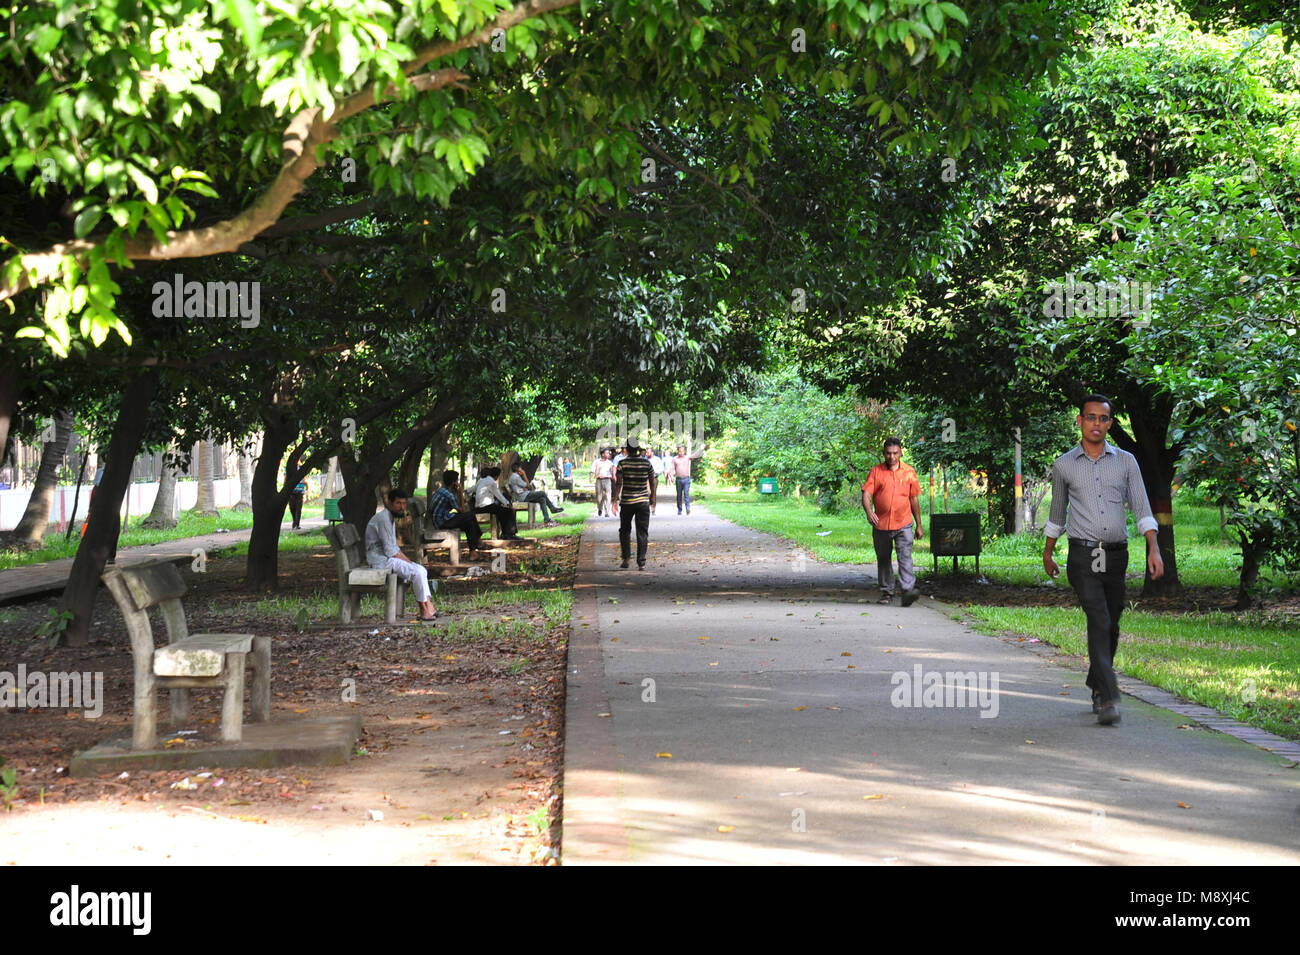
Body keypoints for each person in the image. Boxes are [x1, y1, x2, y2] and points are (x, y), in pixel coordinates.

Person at [1043, 394, 1163, 726]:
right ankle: (1109, 696)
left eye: (1103, 418)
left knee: (1112, 623)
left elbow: (1142, 508)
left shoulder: (1126, 462)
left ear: (1110, 423)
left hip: (1115, 555)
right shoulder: (1064, 464)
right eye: (1090, 417)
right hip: (1083, 555)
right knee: (1098, 618)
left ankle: (1096, 683)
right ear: (1079, 421)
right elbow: (1057, 513)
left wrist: (1153, 548)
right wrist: (1049, 551)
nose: (1096, 423)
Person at [861, 437, 924, 607]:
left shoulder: (909, 472)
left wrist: (919, 524)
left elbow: (914, 499)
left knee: (905, 557)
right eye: (888, 453)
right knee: (883, 559)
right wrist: (869, 512)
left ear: (901, 453)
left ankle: (908, 591)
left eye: (895, 453)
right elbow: (866, 494)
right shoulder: (876, 471)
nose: (892, 457)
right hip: (881, 525)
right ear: (884, 454)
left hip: (904, 523)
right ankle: (887, 592)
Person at [365, 488, 437, 621]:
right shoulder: (383, 519)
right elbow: (390, 551)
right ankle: (425, 609)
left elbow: (393, 547)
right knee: (418, 572)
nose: (402, 507)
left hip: (387, 559)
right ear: (390, 503)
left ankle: (428, 607)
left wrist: (410, 563)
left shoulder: (389, 517)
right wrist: (409, 563)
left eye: (404, 504)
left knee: (421, 570)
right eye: (398, 503)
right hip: (380, 561)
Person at [613, 436, 656, 569]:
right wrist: (653, 497)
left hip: (627, 502)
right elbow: (652, 481)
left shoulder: (622, 463)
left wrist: (614, 500)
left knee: (625, 531)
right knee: (642, 532)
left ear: (626, 449)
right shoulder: (647, 463)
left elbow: (619, 483)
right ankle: (641, 563)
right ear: (638, 448)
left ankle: (626, 559)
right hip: (643, 502)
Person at [430, 470, 485, 556]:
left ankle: (473, 552)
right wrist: (461, 493)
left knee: (469, 522)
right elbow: (462, 510)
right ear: (453, 483)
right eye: (457, 480)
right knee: (470, 516)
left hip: (442, 519)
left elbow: (456, 509)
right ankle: (478, 541)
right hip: (442, 523)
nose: (458, 482)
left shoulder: (441, 490)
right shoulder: (449, 495)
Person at [472, 466, 521, 540]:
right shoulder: (492, 482)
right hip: (486, 507)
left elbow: (472, 489)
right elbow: (499, 496)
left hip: (478, 508)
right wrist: (508, 504)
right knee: (509, 511)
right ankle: (511, 533)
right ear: (496, 476)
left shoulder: (481, 480)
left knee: (501, 511)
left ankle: (505, 533)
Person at [666, 443, 706, 515]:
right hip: (678, 479)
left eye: (682, 451)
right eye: (679, 451)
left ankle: (688, 508)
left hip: (686, 479)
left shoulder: (687, 457)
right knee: (679, 495)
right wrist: (671, 476)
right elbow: (672, 468)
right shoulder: (675, 459)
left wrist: (701, 448)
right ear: (678, 451)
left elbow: (695, 455)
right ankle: (679, 510)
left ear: (684, 451)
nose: (681, 453)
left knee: (686, 494)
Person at [591, 449, 615, 517]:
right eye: (607, 453)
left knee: (608, 496)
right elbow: (592, 469)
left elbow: (613, 470)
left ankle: (607, 511)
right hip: (599, 480)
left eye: (608, 453)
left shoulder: (610, 463)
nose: (608, 454)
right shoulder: (597, 461)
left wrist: (614, 476)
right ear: (603, 454)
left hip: (607, 480)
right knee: (599, 497)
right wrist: (591, 477)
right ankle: (600, 508)